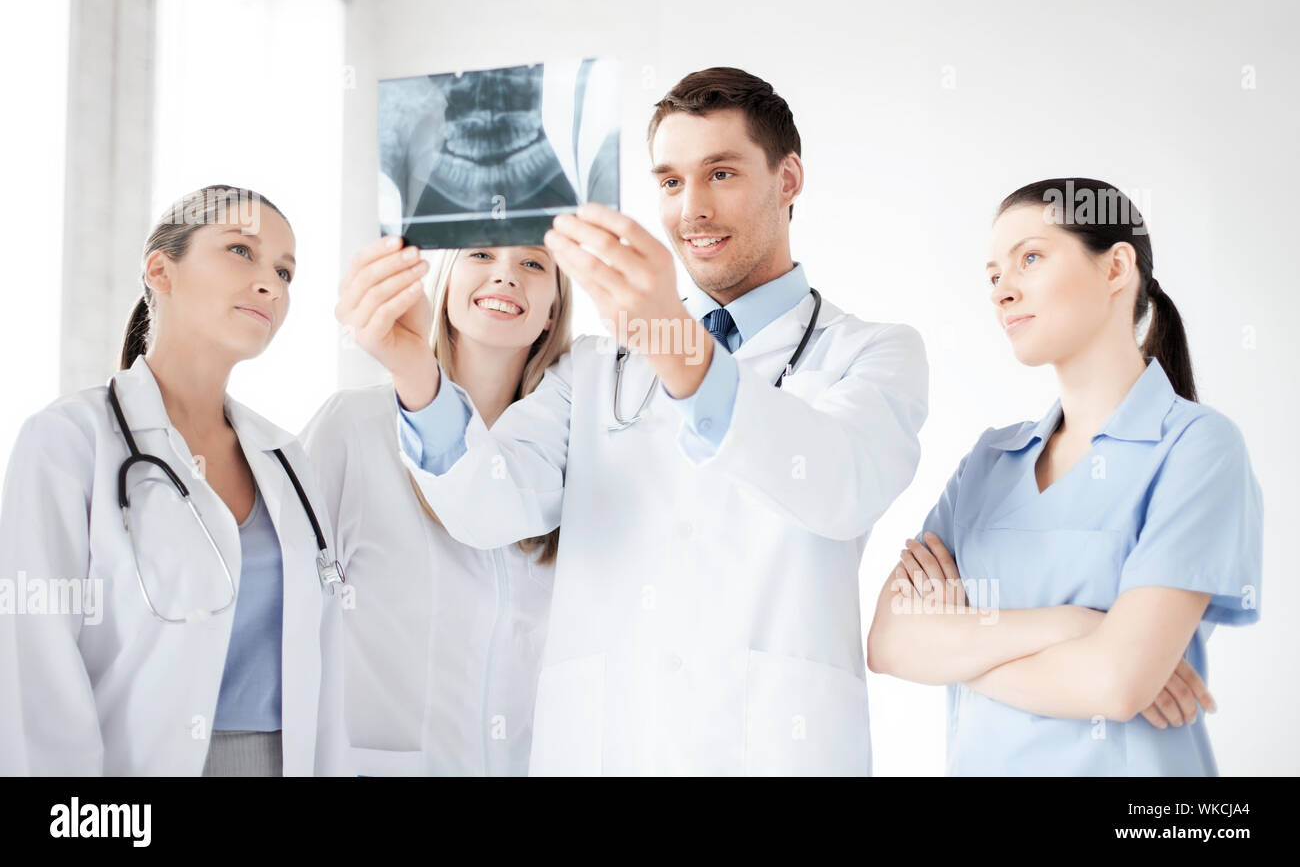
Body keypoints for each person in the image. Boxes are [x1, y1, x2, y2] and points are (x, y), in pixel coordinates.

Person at [339, 67, 929, 775]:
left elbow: (840, 487)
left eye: (721, 174)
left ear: (789, 178)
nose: (692, 210)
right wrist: (413, 372)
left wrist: (674, 344)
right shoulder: (593, 369)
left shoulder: (873, 353)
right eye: (672, 182)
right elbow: (488, 504)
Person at [866, 177, 1263, 776]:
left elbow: (1115, 683)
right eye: (994, 274)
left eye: (1030, 258)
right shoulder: (988, 463)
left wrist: (959, 642)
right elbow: (890, 646)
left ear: (1115, 268)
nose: (1002, 291)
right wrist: (1075, 626)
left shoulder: (1196, 447)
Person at [0, 185, 346, 776]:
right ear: (161, 270)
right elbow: (35, 672)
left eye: (286, 272)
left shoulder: (285, 457)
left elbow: (326, 666)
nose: (271, 283)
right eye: (242, 251)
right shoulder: (69, 440)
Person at [300, 241, 572, 776]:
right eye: (480, 256)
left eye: (533, 263)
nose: (505, 275)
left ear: (551, 315)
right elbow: (285, 612)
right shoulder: (352, 428)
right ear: (444, 283)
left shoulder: (573, 454)